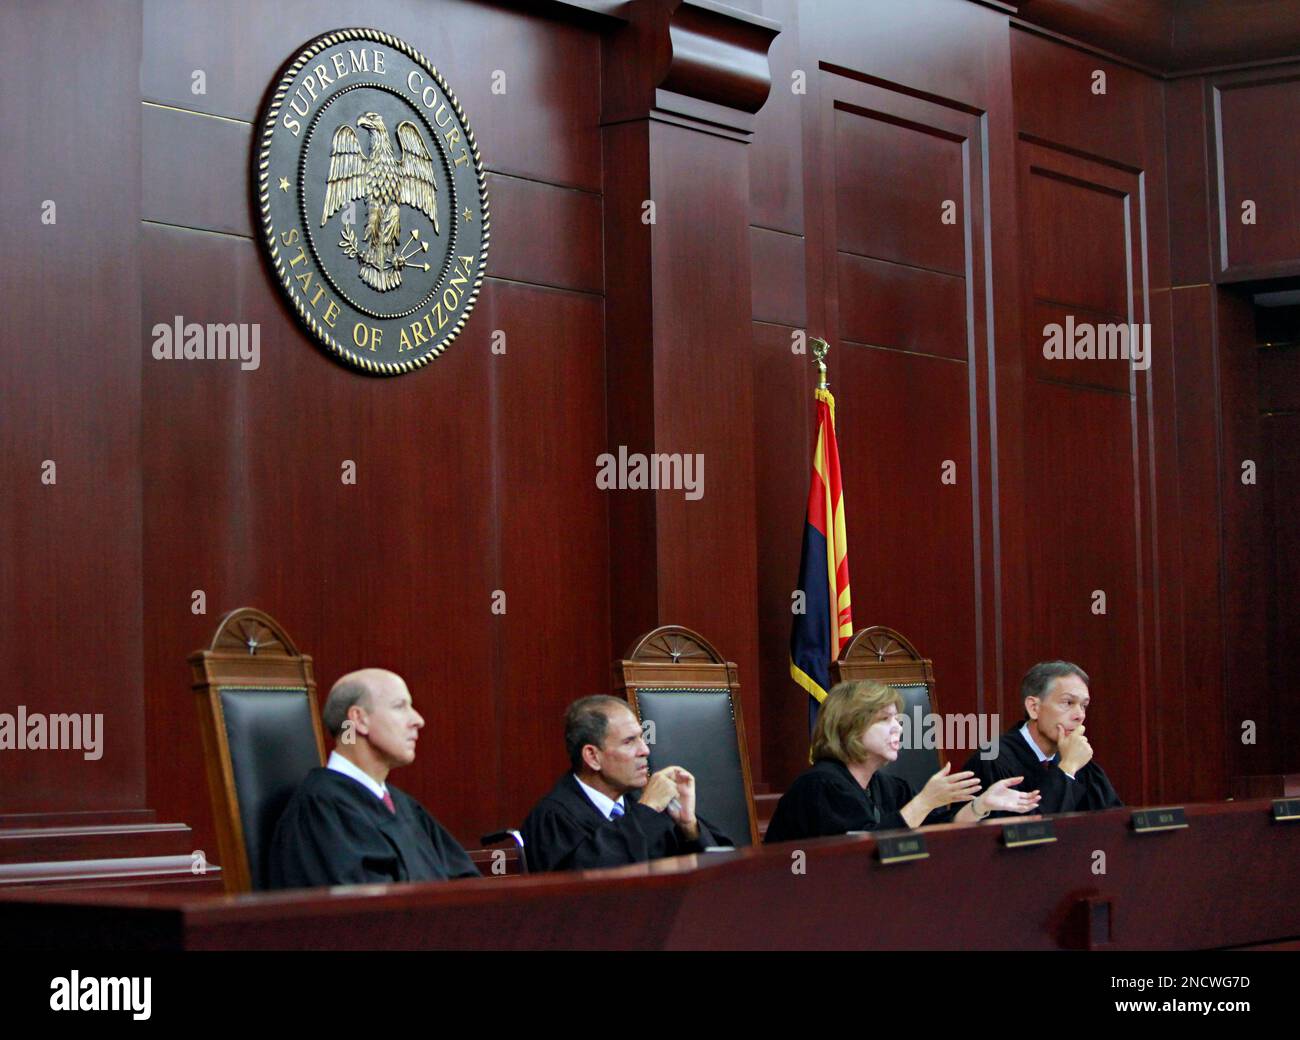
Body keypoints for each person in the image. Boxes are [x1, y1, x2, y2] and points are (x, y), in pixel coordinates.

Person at [267, 668, 479, 889]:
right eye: (400, 706)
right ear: (358, 719)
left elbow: (465, 880)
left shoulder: (402, 806)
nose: (418, 720)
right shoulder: (322, 810)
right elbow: (366, 914)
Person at [764, 679, 1039, 843]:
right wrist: (924, 802)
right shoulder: (819, 787)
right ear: (849, 727)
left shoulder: (888, 787)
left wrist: (981, 805)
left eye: (897, 718)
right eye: (885, 719)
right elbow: (861, 854)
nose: (899, 728)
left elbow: (939, 828)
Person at [521, 695, 732, 872]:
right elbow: (587, 883)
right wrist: (646, 811)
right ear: (593, 756)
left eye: (642, 738)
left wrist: (689, 827)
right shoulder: (554, 817)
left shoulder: (646, 804)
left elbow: (720, 872)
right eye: (629, 741)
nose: (645, 750)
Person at [959, 660, 1121, 818]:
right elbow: (1024, 835)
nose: (1080, 715)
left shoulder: (1080, 763)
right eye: (1068, 702)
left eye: (1083, 705)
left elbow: (1113, 823)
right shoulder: (993, 761)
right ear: (1033, 707)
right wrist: (1067, 769)